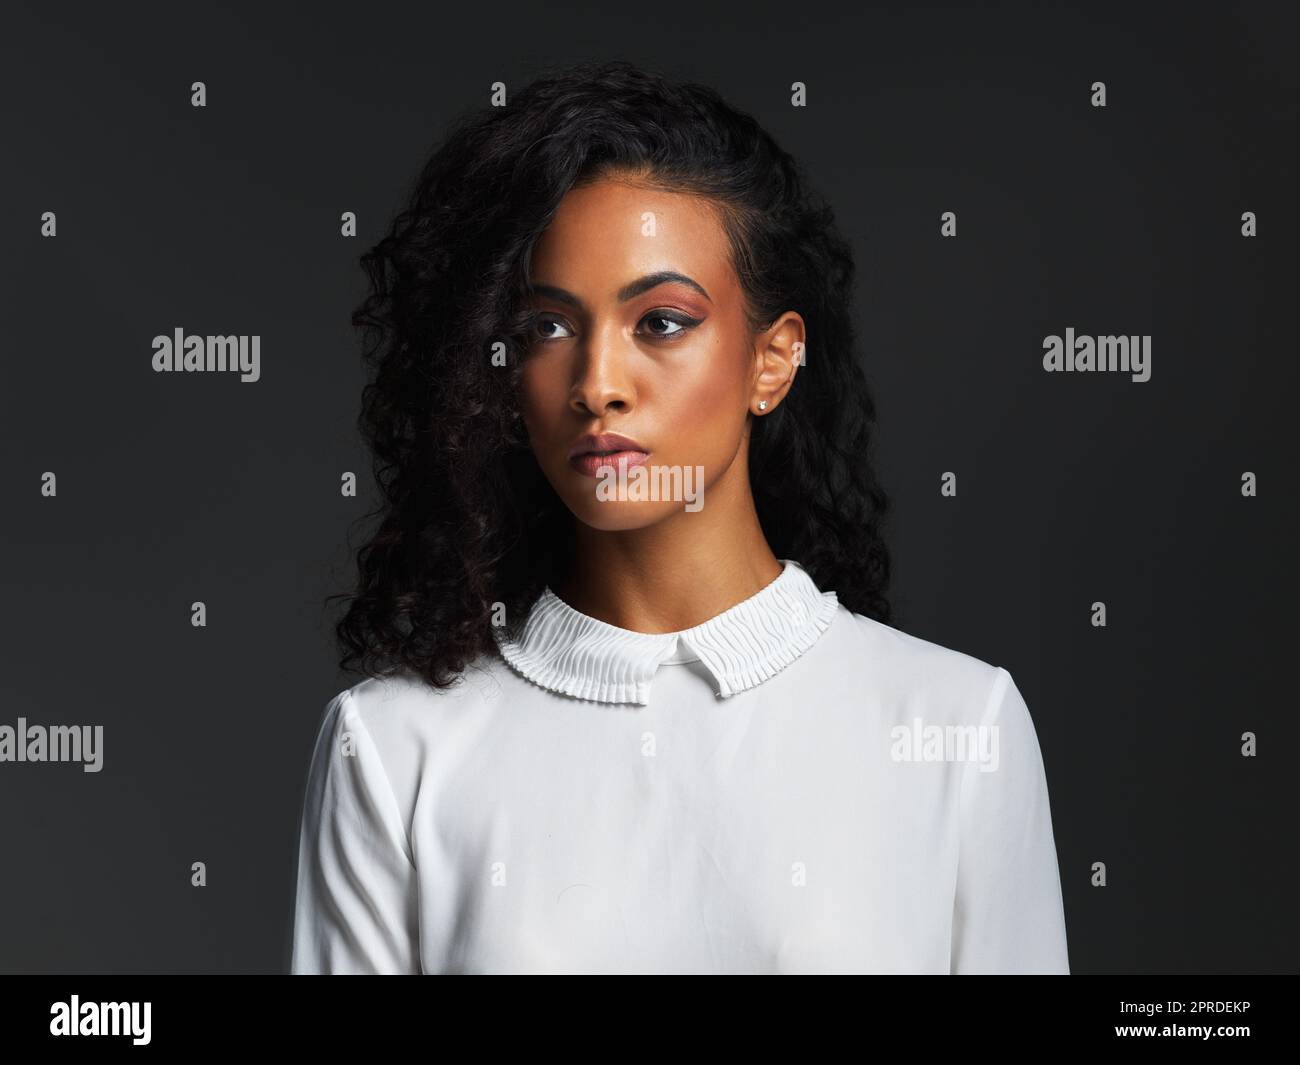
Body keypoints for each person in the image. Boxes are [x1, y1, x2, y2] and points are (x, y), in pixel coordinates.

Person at [289, 59, 1069, 974]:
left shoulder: (960, 727)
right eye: (547, 326)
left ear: (772, 361)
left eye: (660, 321)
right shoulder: (390, 749)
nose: (597, 385)